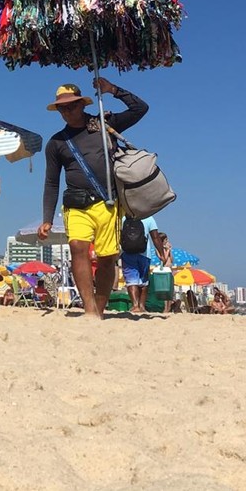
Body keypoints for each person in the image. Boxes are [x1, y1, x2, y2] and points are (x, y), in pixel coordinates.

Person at [37, 78, 149, 318]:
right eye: (62, 108)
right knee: (77, 247)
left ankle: (99, 308)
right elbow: (51, 182)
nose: (67, 111)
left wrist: (113, 90)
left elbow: (141, 109)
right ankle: (88, 308)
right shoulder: (56, 143)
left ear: (82, 104)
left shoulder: (103, 123)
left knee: (107, 258)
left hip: (107, 202)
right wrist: (47, 218)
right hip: (76, 204)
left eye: (72, 106)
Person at [120, 215, 168, 314]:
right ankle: (142, 306)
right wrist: (161, 253)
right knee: (144, 281)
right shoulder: (148, 217)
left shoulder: (123, 218)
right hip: (145, 254)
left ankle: (135, 305)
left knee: (131, 280)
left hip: (127, 252)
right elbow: (155, 237)